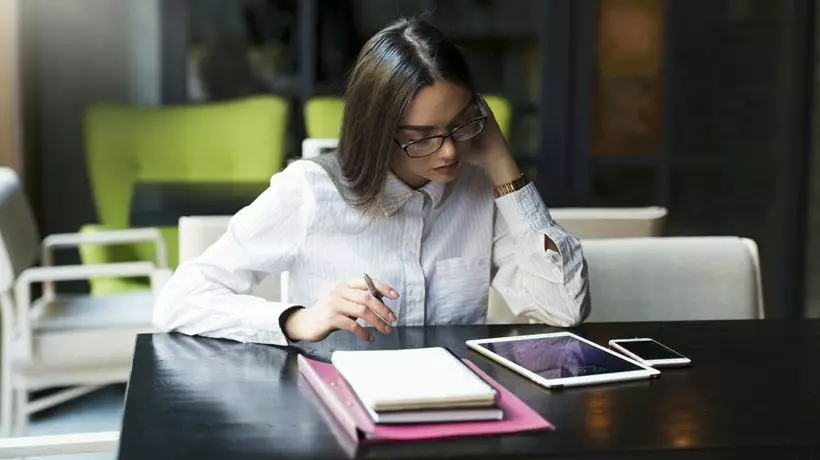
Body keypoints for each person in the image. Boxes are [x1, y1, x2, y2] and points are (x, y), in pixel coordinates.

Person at [154, 17, 590, 346]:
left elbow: (566, 309)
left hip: (457, 407)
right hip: (336, 416)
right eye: (422, 137)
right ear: (377, 129)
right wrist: (296, 319)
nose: (450, 151)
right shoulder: (310, 192)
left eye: (461, 124)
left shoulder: (478, 189)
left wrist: (500, 161)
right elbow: (180, 300)